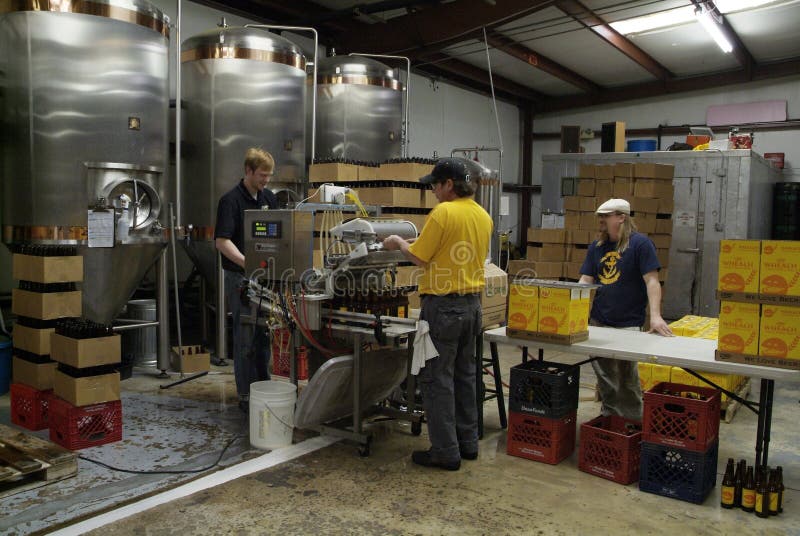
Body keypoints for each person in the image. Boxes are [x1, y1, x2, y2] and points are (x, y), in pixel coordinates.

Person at [383, 157, 493, 471]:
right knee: (465, 376)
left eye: (435, 184)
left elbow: (418, 256)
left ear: (449, 184)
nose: (432, 190)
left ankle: (445, 451)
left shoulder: (444, 211)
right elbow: (443, 248)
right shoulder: (482, 216)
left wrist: (397, 242)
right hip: (472, 306)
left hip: (443, 307)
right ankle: (467, 442)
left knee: (436, 379)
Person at [578, 198, 673, 420]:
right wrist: (571, 310)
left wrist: (656, 316)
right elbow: (585, 280)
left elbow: (652, 281)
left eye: (606, 216)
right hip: (599, 321)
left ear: (621, 217)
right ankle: (611, 418)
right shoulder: (597, 247)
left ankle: (632, 423)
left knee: (627, 379)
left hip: (628, 323)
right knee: (605, 376)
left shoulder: (640, 244)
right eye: (600, 216)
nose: (601, 220)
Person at [214, 148, 279, 412]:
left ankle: (262, 386)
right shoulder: (230, 201)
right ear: (248, 171)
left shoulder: (269, 198)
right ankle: (245, 395)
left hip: (264, 278)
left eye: (269, 176)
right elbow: (222, 241)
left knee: (263, 334)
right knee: (245, 336)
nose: (266, 181)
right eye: (262, 175)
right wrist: (246, 263)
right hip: (239, 277)